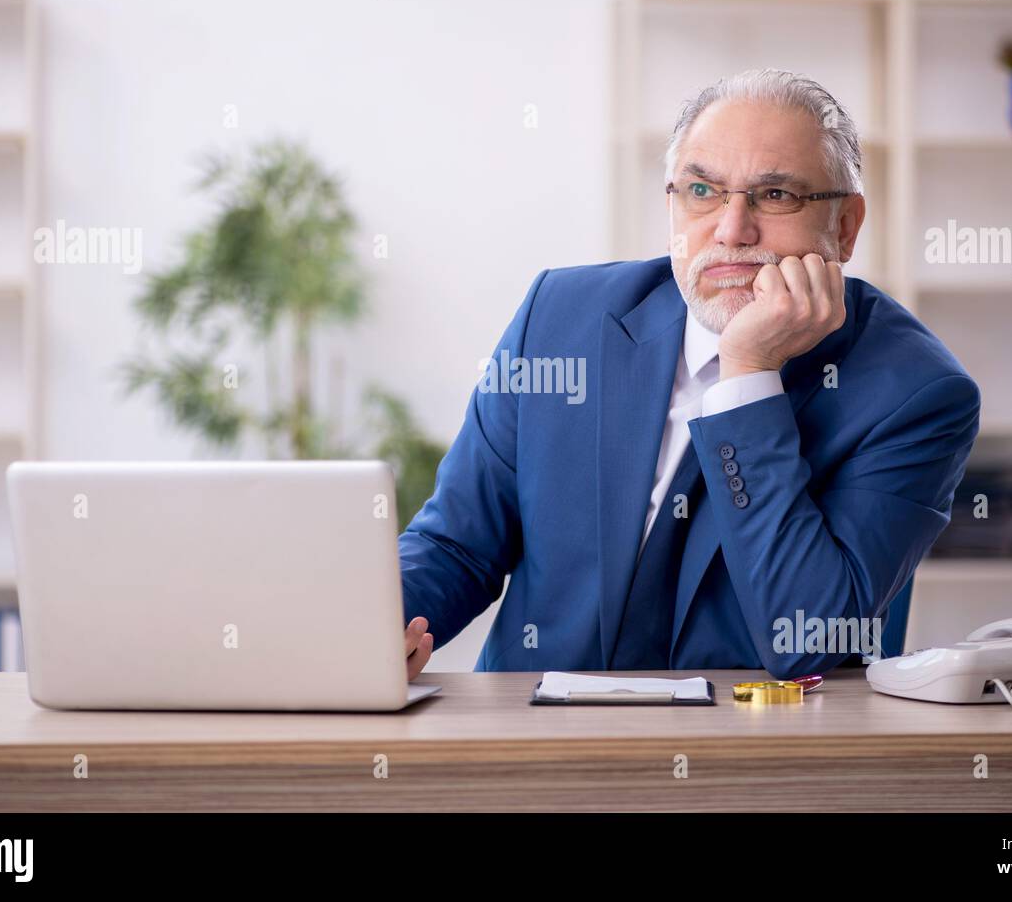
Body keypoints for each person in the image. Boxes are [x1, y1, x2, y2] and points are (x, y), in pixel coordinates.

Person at [400, 68, 980, 679]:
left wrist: (748, 375)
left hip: (751, 756)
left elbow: (811, 640)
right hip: (534, 743)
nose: (732, 230)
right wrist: (381, 623)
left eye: (775, 195)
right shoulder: (559, 317)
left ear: (845, 226)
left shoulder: (917, 393)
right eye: (702, 191)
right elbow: (456, 546)